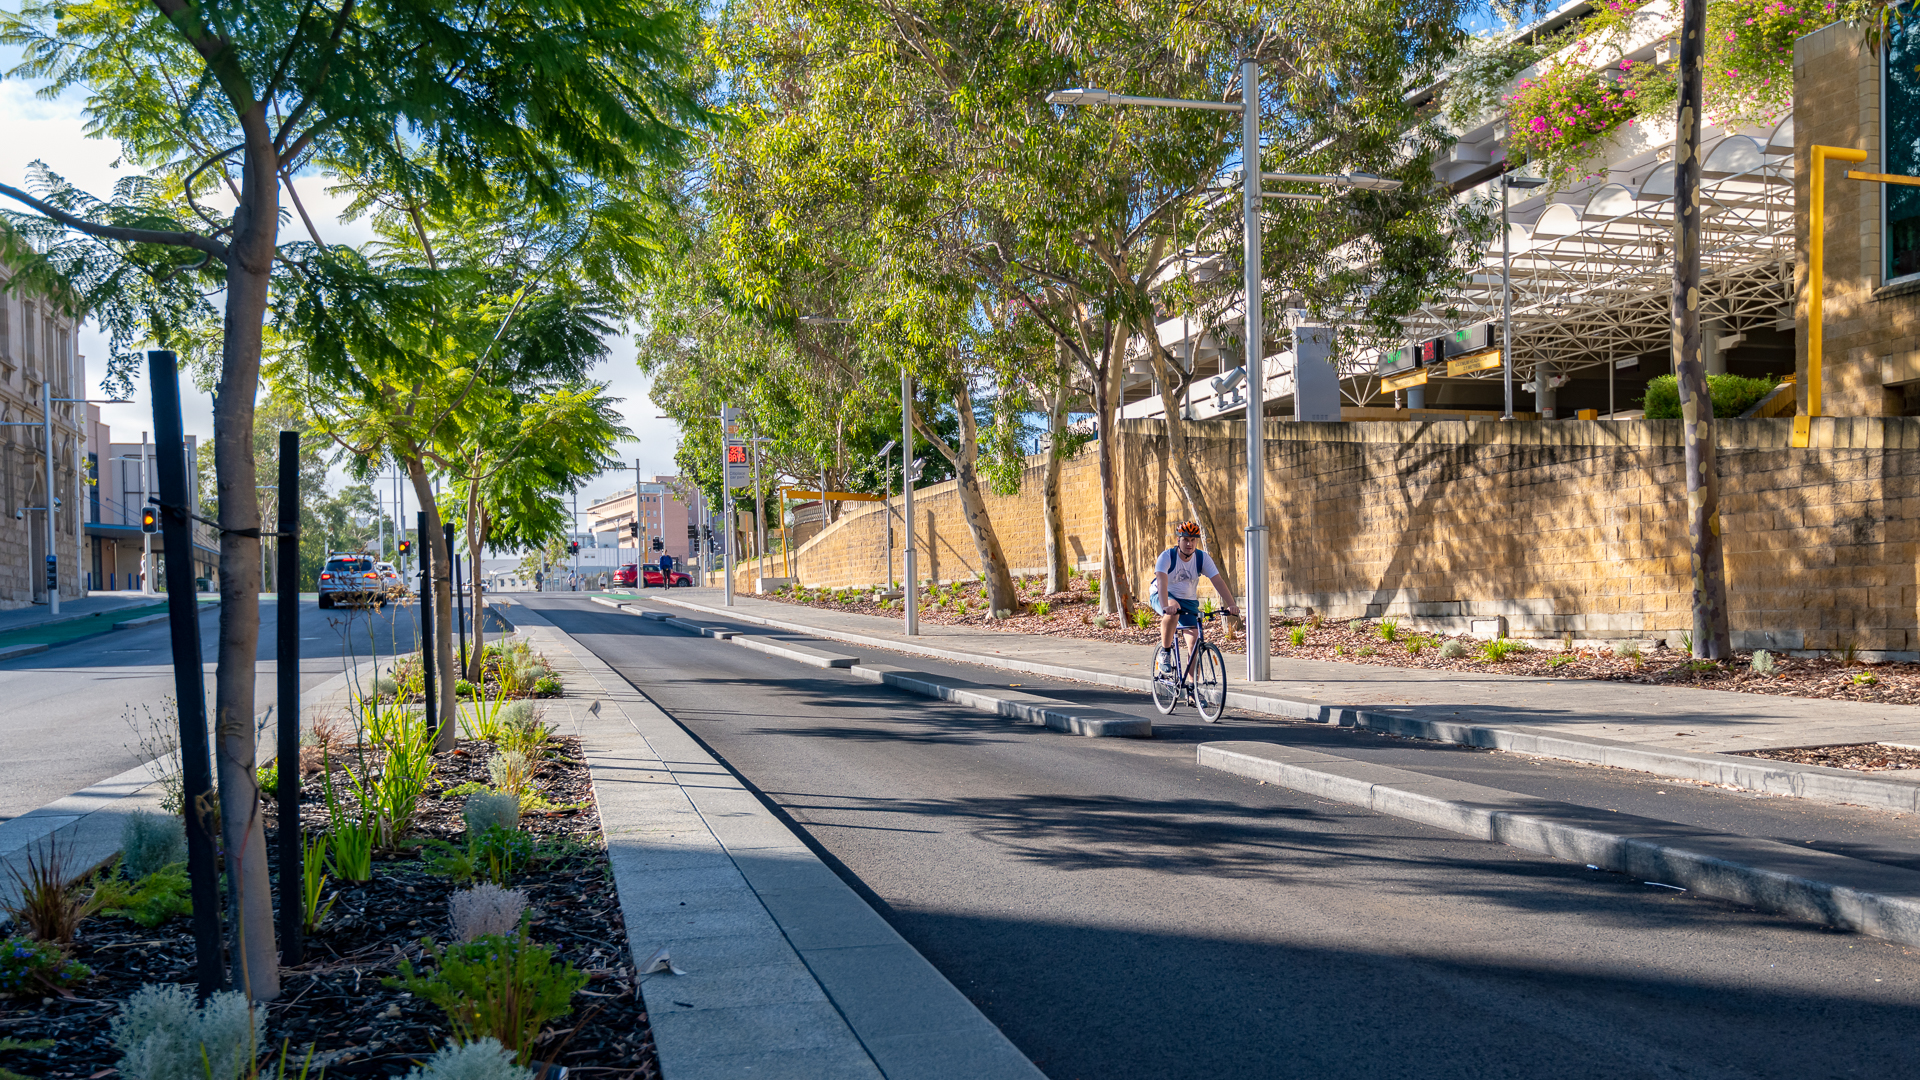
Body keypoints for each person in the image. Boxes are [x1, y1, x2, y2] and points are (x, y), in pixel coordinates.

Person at [1151, 521, 1238, 674]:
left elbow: (1218, 581)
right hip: (1163, 594)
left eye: (1193, 540)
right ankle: (1165, 652)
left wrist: (1231, 604)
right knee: (1173, 609)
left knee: (1194, 643)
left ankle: (1192, 687)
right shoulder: (1167, 556)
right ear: (1178, 540)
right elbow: (1161, 583)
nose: (1189, 544)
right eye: (1185, 539)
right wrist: (1165, 607)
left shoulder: (1202, 558)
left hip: (1189, 601)